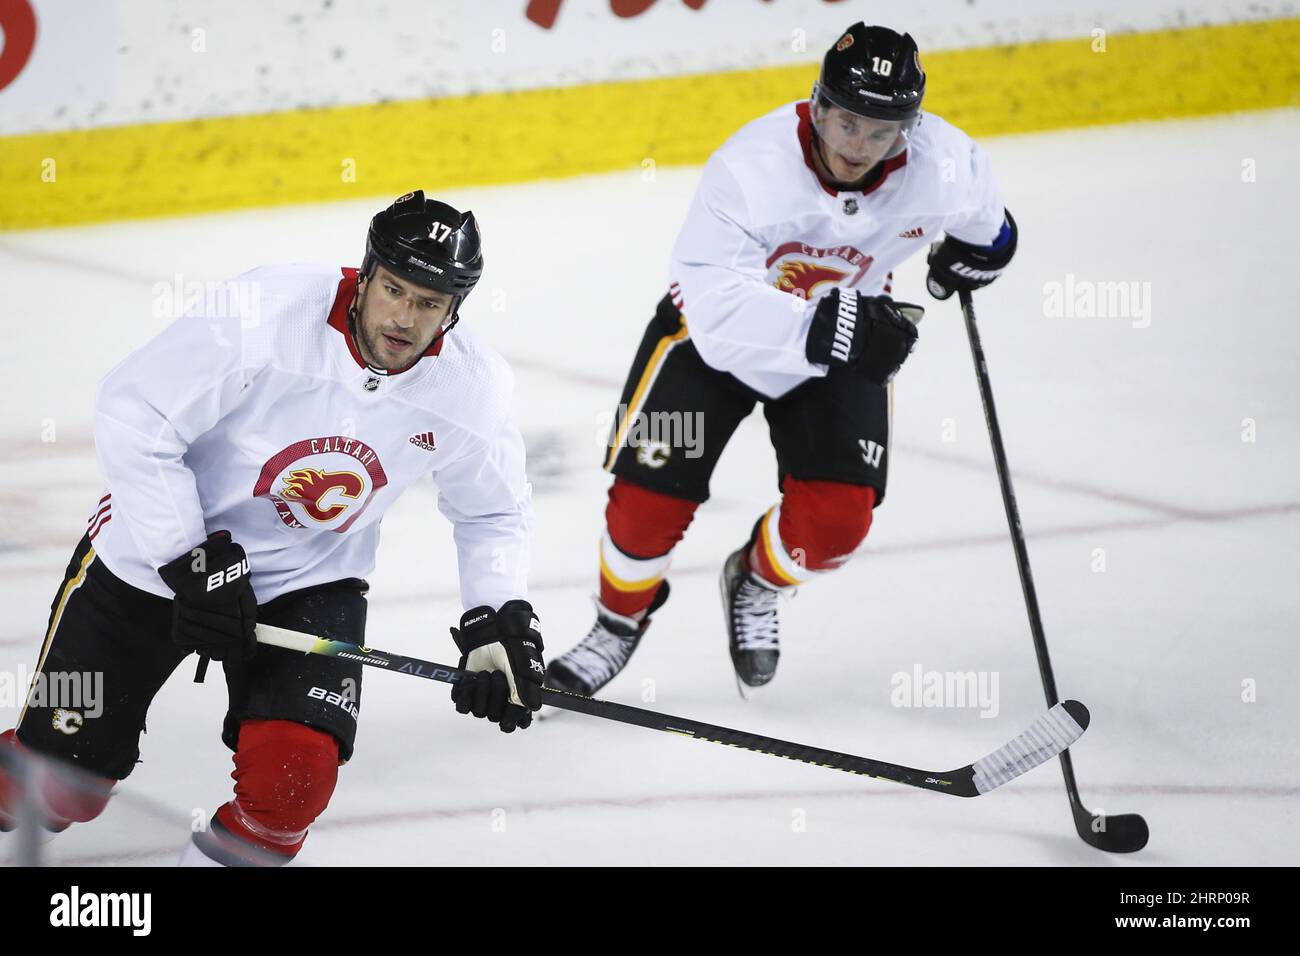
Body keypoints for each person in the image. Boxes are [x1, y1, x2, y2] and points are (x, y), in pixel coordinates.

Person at [0, 190, 545, 865]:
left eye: (429, 303)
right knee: (56, 785)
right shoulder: (264, 315)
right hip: (150, 562)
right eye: (394, 290)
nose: (405, 318)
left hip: (308, 578)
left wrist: (493, 617)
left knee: (292, 784)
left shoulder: (470, 387)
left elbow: (493, 510)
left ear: (454, 310)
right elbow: (134, 415)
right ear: (365, 275)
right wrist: (187, 557)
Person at [546, 23, 1017, 698]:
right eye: (846, 122)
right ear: (818, 105)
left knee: (835, 528)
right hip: (708, 345)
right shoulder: (749, 168)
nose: (857, 146)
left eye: (880, 132)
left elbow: (987, 224)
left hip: (840, 348)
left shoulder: (944, 166)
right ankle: (618, 623)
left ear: (907, 131)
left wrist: (982, 254)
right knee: (641, 512)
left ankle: (757, 579)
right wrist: (832, 327)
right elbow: (715, 313)